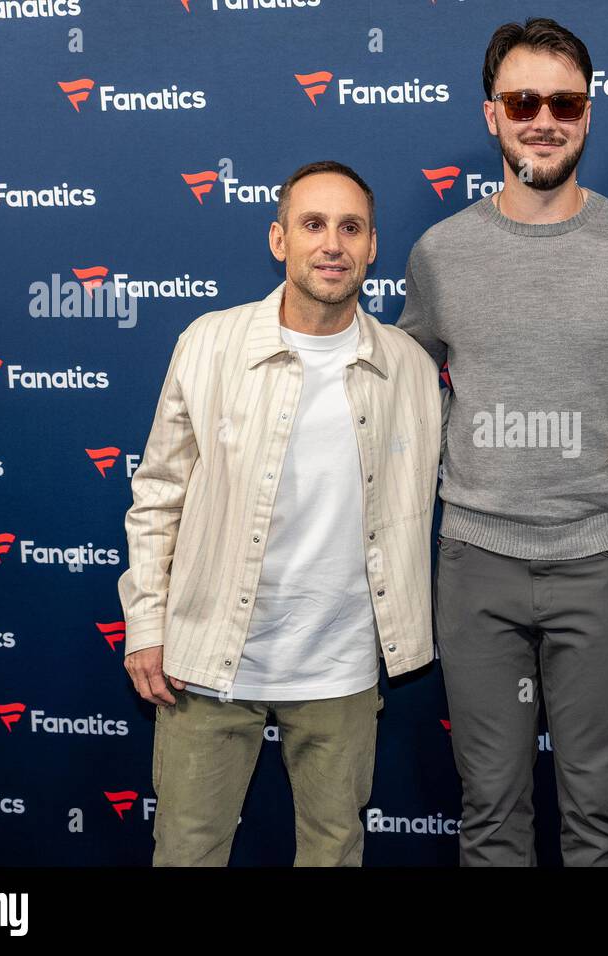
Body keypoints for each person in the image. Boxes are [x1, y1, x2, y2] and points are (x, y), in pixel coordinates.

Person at [397, 17, 608, 866]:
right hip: (474, 562)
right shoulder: (441, 254)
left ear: (588, 115)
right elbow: (400, 394)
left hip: (599, 560)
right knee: (490, 811)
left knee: (600, 811)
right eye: (524, 101)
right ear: (492, 114)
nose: (543, 119)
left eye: (564, 102)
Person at [118, 160, 441, 866]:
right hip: (207, 665)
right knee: (186, 853)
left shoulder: (409, 368)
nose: (333, 244)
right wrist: (145, 621)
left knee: (333, 854)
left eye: (351, 228)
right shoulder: (209, 344)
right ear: (278, 239)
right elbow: (159, 493)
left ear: (373, 246)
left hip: (341, 671)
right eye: (313, 224)